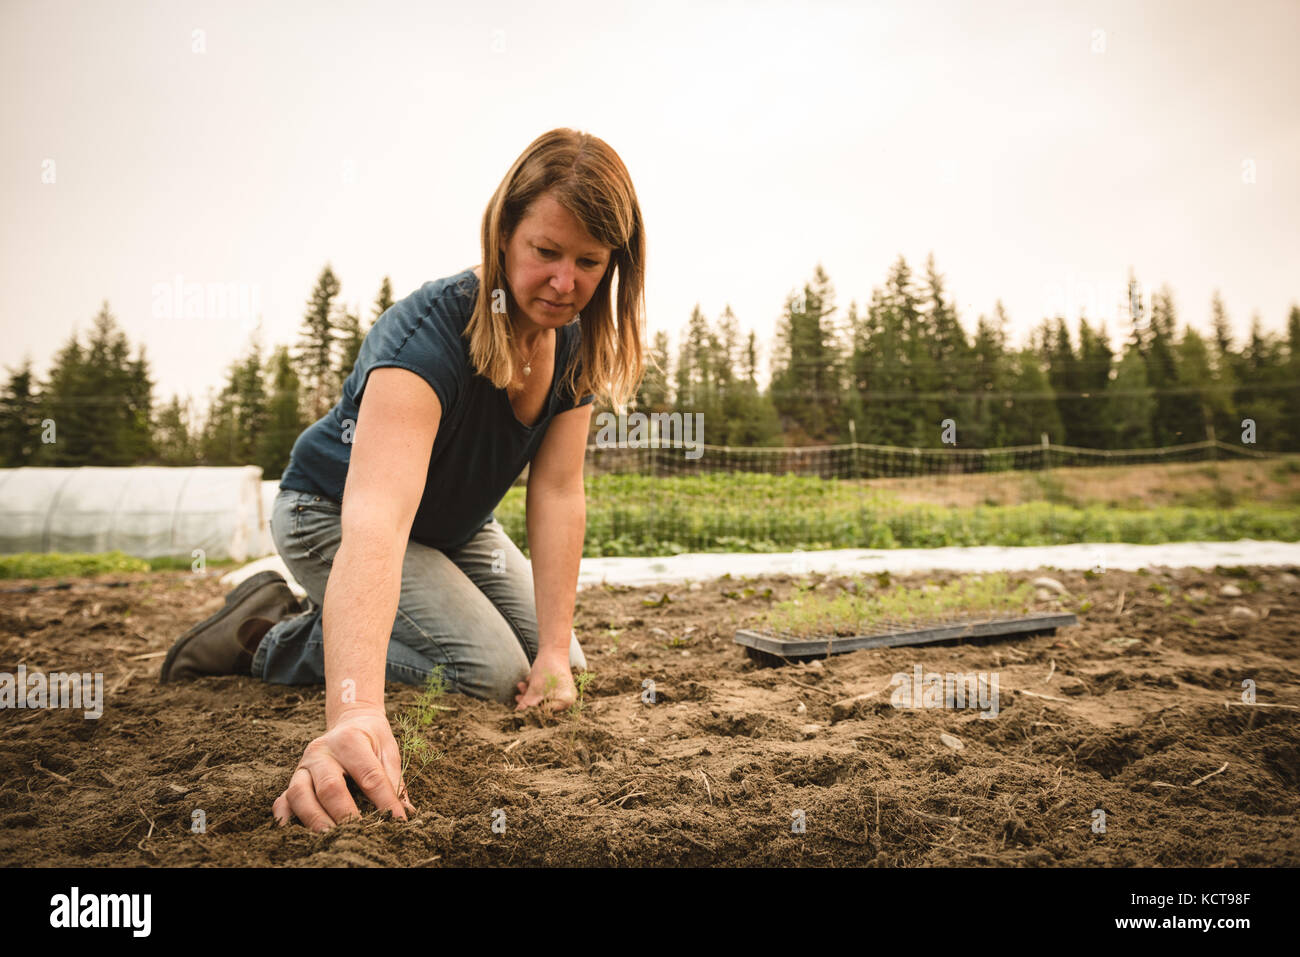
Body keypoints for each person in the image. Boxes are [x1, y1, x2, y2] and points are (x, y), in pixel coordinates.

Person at [159, 128, 646, 832]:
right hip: (328, 511)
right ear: (503, 233)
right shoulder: (428, 336)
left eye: (589, 261)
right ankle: (265, 633)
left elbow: (558, 493)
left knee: (559, 659)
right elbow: (379, 517)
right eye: (545, 252)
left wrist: (550, 653)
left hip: (453, 526)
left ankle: (359, 616)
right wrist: (355, 711)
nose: (564, 283)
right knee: (485, 670)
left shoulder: (574, 345)